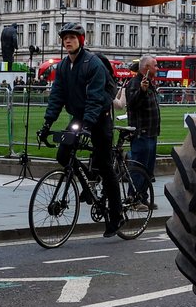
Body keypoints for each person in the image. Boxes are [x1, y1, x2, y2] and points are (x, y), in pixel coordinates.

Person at [38, 22, 121, 236]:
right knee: (63, 154)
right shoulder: (64, 66)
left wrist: (88, 126)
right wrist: (47, 123)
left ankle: (116, 215)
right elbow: (57, 96)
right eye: (65, 37)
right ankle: (87, 184)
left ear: (81, 40)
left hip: (99, 118)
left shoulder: (92, 64)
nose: (68, 40)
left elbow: (95, 98)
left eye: (73, 37)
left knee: (104, 164)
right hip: (79, 117)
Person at [124, 55, 161, 208]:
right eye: (155, 65)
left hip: (151, 133)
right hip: (141, 133)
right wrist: (142, 91)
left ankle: (143, 196)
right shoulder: (135, 83)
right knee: (139, 167)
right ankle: (133, 199)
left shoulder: (148, 83)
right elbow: (132, 105)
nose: (157, 68)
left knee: (148, 169)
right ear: (146, 67)